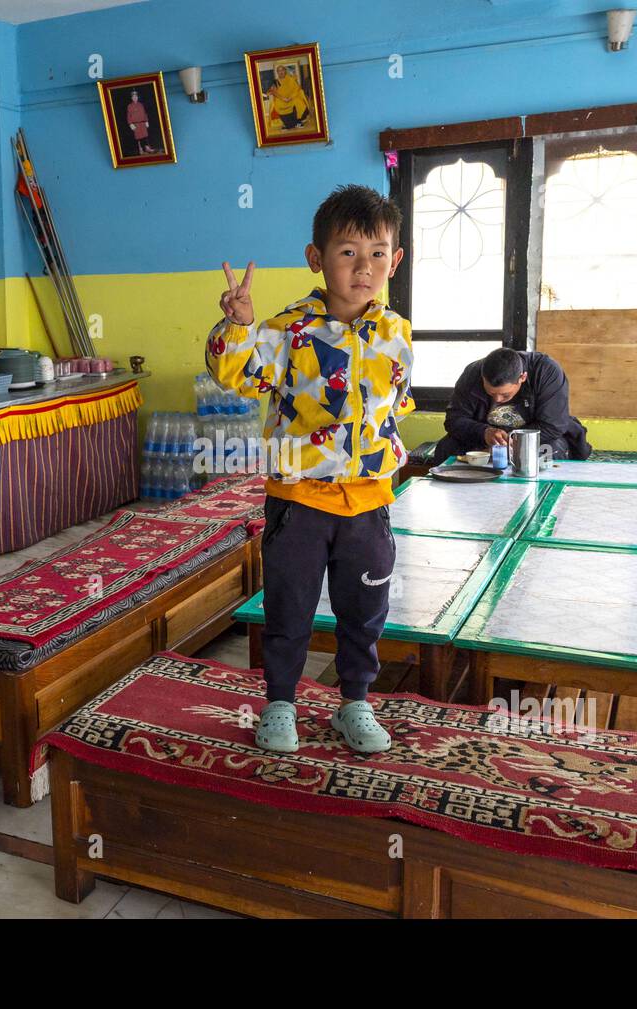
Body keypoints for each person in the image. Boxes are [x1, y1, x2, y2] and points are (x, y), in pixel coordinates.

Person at [206, 185, 413, 755]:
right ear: (316, 259)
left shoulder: (396, 331)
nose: (363, 267)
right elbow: (236, 374)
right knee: (289, 607)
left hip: (369, 504)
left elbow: (396, 403)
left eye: (377, 253)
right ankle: (279, 704)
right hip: (298, 502)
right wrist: (238, 325)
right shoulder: (286, 330)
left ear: (394, 261)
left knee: (364, 609)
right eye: (347, 252)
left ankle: (355, 704)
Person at [432, 347, 591, 465]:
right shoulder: (472, 373)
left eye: (505, 395)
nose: (498, 399)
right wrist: (484, 433)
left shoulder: (546, 371)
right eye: (491, 393)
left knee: (552, 450)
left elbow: (553, 425)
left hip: (536, 439)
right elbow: (454, 420)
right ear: (482, 378)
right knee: (446, 447)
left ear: (522, 377)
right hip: (483, 440)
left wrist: (510, 441)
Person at [267, 65, 310, 131]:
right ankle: (290, 124)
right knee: (278, 104)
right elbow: (273, 92)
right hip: (282, 100)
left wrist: (290, 97)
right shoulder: (276, 82)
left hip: (292, 98)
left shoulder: (291, 79)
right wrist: (283, 98)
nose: (281, 72)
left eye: (282, 70)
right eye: (279, 71)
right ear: (277, 73)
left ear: (285, 71)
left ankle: (298, 121)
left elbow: (297, 89)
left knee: (298, 102)